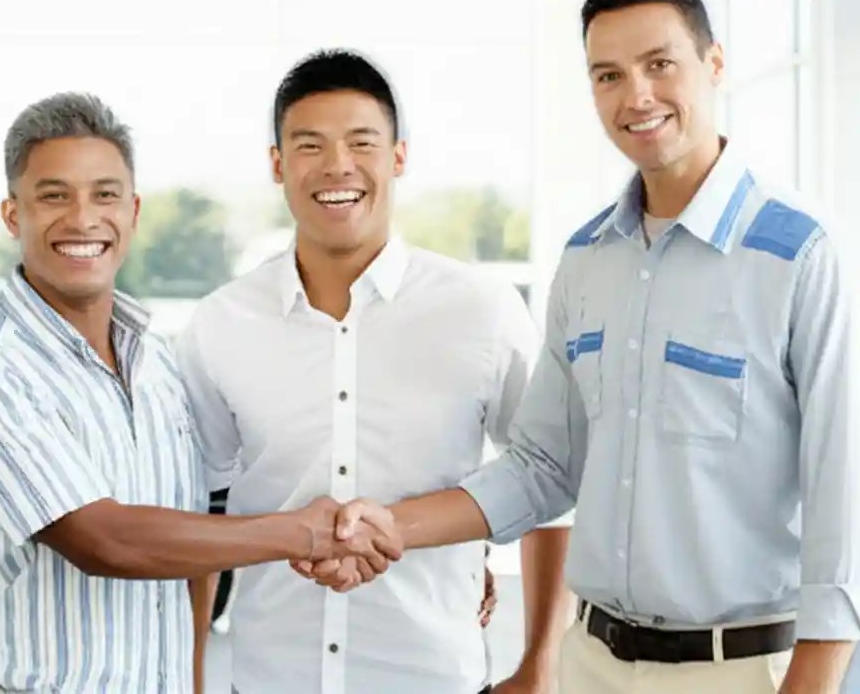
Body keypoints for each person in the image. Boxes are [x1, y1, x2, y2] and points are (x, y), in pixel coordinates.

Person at [298, 0, 860, 693]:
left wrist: (815, 681)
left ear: (715, 65)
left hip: (741, 670)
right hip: (593, 663)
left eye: (659, 64)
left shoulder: (800, 254)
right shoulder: (587, 261)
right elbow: (543, 468)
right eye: (608, 75)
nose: (635, 94)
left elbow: (848, 493)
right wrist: (387, 524)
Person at [0, 92, 401, 694]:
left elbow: (195, 533)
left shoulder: (159, 362)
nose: (82, 219)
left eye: (105, 195)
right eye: (53, 196)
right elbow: (107, 541)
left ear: (133, 211)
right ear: (12, 215)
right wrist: (302, 532)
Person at [176, 49, 574, 694]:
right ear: (277, 164)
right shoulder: (221, 324)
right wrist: (189, 676)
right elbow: (196, 512)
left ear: (399, 157)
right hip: (270, 678)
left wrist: (538, 668)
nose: (338, 166)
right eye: (310, 145)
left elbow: (551, 485)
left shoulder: (482, 309)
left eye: (362, 142)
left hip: (434, 675)